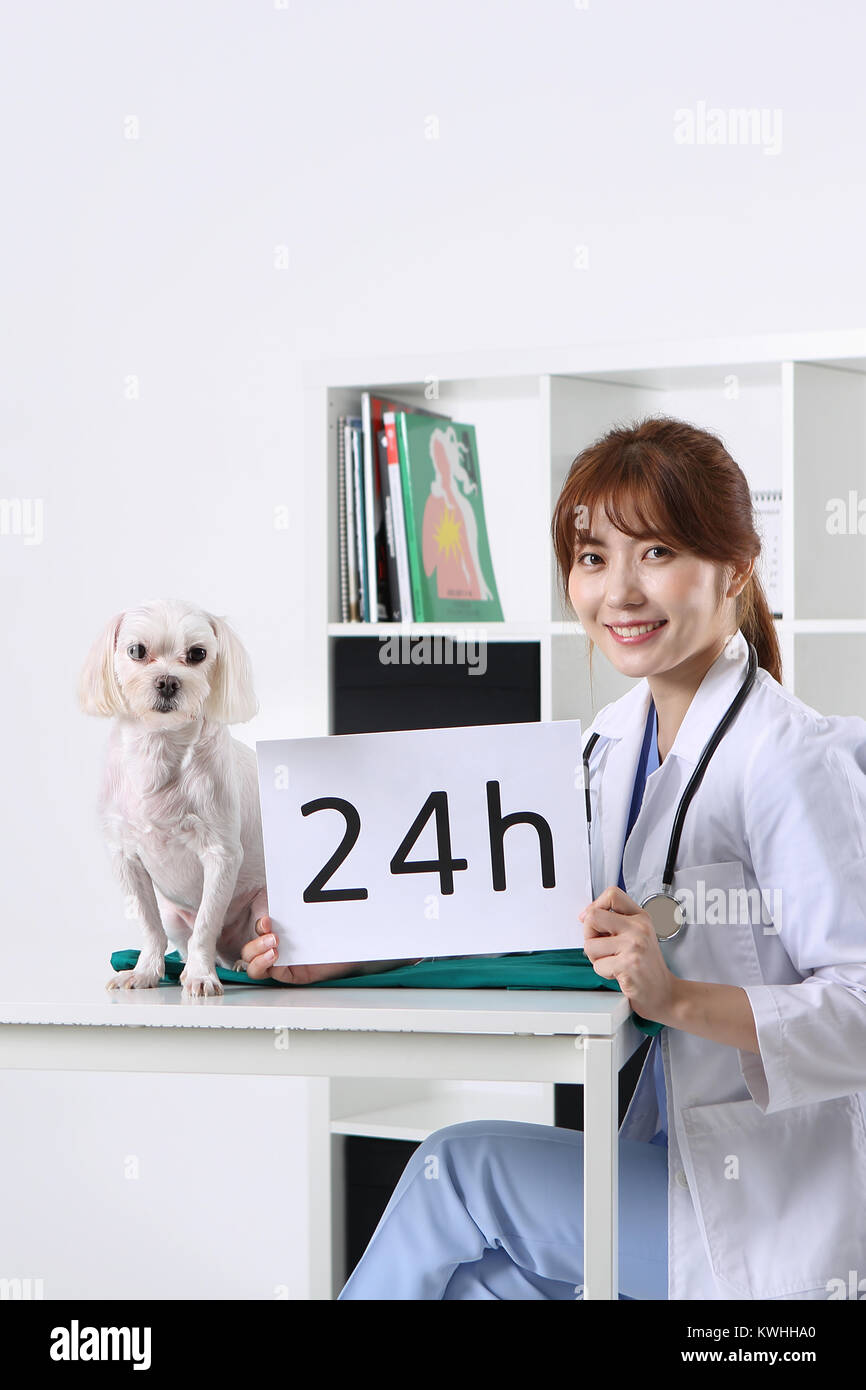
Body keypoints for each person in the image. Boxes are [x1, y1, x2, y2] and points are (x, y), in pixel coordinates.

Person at [245, 416, 866, 1300]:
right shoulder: (612, 744)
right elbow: (526, 912)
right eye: (591, 559)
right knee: (474, 1288)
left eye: (655, 552)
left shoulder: (787, 758)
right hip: (671, 1162)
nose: (619, 592)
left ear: (733, 568)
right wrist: (348, 945)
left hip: (774, 1208)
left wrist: (677, 996)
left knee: (453, 1172)